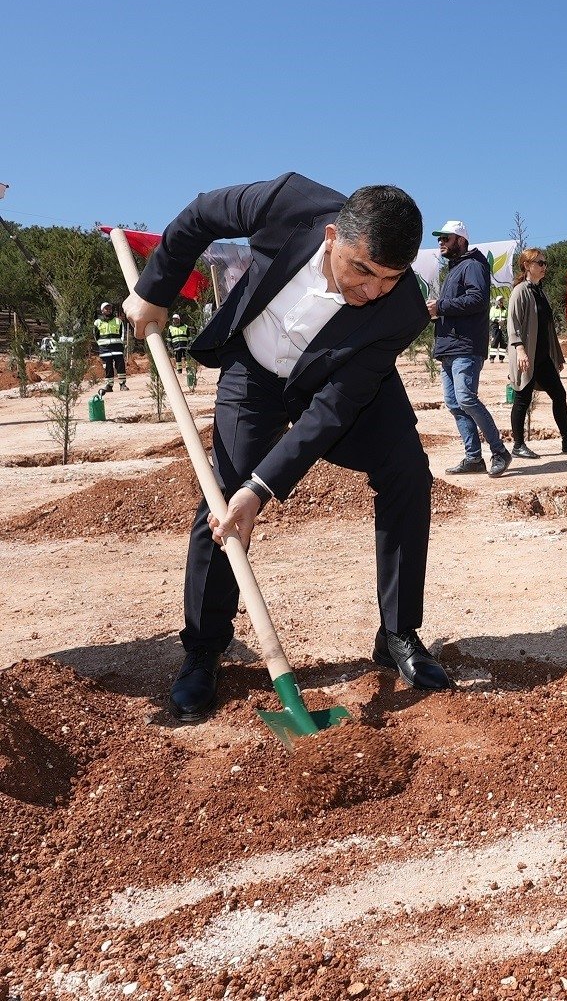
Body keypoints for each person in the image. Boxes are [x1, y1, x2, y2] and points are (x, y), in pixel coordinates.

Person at [122, 174, 453, 721]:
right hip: (254, 370)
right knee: (222, 496)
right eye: (362, 271)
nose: (370, 291)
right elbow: (202, 214)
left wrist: (264, 489)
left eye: (389, 279)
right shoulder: (287, 202)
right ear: (330, 236)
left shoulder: (400, 311)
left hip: (338, 382)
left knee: (407, 471)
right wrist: (154, 291)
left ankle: (398, 633)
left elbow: (333, 410)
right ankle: (204, 649)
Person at [430, 220, 510, 477]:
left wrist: (441, 306)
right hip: (450, 346)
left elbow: (476, 300)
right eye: (439, 238)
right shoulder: (455, 268)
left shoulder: (473, 265)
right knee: (454, 403)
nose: (441, 242)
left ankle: (499, 451)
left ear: (461, 240)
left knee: (466, 398)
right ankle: (473, 458)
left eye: (446, 238)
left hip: (466, 346)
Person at [507, 248, 567, 459]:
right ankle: (518, 445)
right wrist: (520, 350)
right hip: (527, 355)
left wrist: (557, 356)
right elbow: (513, 324)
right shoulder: (520, 291)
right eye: (540, 263)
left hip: (543, 357)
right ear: (527, 266)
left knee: (559, 394)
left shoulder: (539, 291)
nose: (544, 267)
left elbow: (548, 327)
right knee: (522, 398)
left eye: (545, 263)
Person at [95, 302, 126, 391]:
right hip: (105, 349)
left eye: (110, 308)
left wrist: (120, 343)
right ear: (102, 310)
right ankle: (109, 385)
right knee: (108, 367)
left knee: (120, 366)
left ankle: (122, 384)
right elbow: (96, 335)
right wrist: (101, 345)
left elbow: (122, 333)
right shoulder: (97, 322)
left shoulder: (118, 321)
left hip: (117, 348)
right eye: (106, 308)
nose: (108, 310)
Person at [489, 291, 508, 363]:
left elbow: (507, 317)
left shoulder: (505, 309)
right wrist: (498, 321)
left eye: (502, 300)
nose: (501, 302)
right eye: (500, 300)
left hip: (503, 327)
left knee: (503, 343)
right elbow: (491, 317)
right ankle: (492, 358)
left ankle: (501, 358)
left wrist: (504, 321)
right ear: (497, 301)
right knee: (494, 342)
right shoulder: (493, 308)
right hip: (495, 327)